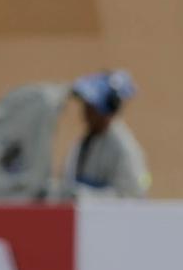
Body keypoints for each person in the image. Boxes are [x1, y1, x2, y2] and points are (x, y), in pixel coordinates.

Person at [60, 70, 150, 199]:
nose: (85, 113)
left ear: (108, 109)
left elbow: (132, 196)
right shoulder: (83, 143)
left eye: (91, 107)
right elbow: (67, 180)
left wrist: (82, 196)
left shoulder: (124, 148)